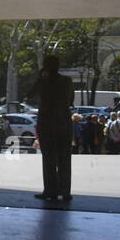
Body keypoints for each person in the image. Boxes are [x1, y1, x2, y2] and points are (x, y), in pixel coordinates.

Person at [32, 55, 73, 200]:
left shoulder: (43, 82)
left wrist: (40, 76)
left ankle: (50, 190)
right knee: (64, 159)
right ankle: (65, 191)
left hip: (47, 122)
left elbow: (30, 94)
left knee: (48, 159)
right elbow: (71, 100)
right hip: (63, 122)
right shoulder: (67, 81)